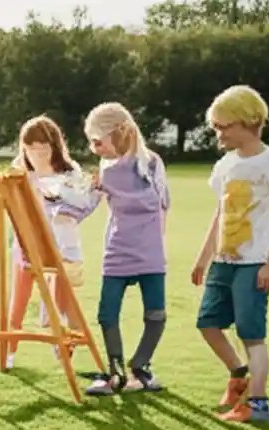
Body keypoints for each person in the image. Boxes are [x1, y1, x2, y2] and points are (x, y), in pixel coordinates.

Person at [192, 85, 269, 423]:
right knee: (207, 323)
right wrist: (203, 258)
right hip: (224, 262)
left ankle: (259, 404)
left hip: (254, 264)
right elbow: (219, 214)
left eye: (223, 127)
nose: (218, 134)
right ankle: (238, 376)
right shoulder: (225, 165)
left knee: (251, 334)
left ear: (248, 122)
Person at [83, 102, 171, 396]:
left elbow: (162, 207)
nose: (94, 148)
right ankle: (116, 372)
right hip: (117, 250)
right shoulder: (105, 170)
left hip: (150, 251)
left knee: (156, 314)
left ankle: (141, 366)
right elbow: (88, 204)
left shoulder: (152, 164)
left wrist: (159, 245)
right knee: (107, 313)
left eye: (97, 141)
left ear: (119, 133)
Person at [5, 115, 99, 369]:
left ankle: (65, 347)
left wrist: (65, 207)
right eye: (31, 147)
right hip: (27, 245)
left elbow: (84, 205)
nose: (37, 153)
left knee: (65, 301)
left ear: (54, 145)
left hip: (61, 246)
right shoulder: (19, 171)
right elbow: (12, 208)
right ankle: (9, 353)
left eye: (43, 147)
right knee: (19, 300)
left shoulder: (69, 172)